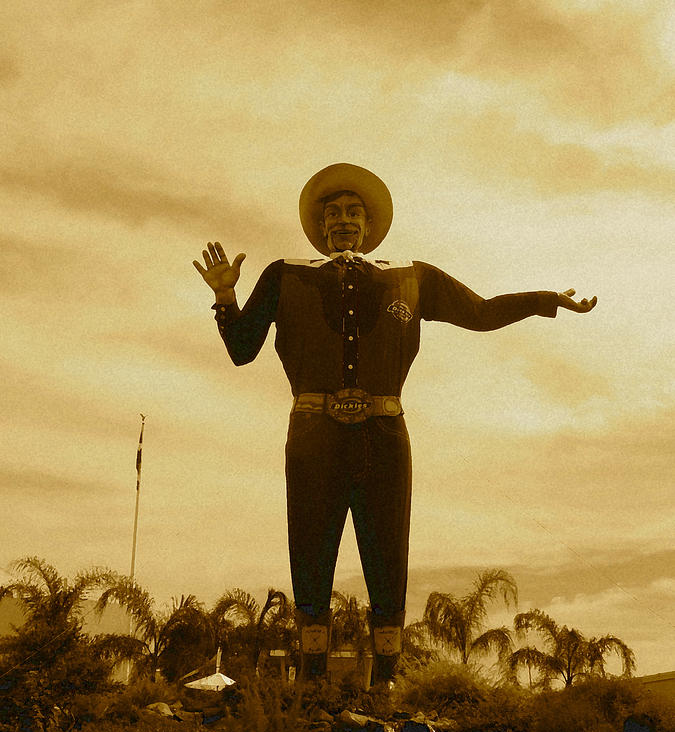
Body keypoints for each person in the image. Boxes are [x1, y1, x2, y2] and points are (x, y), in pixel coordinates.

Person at [193, 162, 597, 683]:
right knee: (310, 553)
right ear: (318, 227)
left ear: (369, 223)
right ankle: (313, 686)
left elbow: (479, 311)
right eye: (332, 213)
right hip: (313, 433)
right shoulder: (285, 275)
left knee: (388, 556)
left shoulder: (412, 276)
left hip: (386, 434)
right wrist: (225, 296)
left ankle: (385, 686)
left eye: (352, 212)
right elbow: (242, 350)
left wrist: (545, 300)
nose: (342, 220)